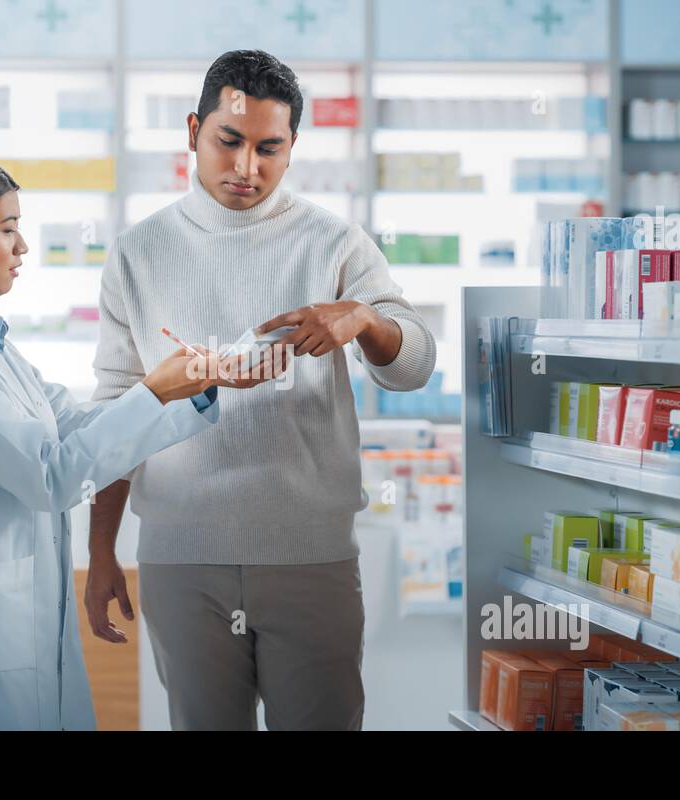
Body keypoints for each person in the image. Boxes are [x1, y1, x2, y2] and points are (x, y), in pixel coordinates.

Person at [85, 51, 437, 730]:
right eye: (231, 142)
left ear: (293, 147)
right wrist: (101, 551)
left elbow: (413, 362)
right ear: (193, 131)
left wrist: (364, 320)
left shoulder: (334, 242)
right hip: (183, 558)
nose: (248, 167)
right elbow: (115, 410)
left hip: (311, 556)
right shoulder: (139, 251)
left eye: (269, 148)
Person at [0, 151, 243, 730]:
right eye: (7, 230)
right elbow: (51, 477)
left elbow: (73, 427)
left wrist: (191, 386)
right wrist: (156, 392)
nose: (22, 247)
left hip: (14, 634)